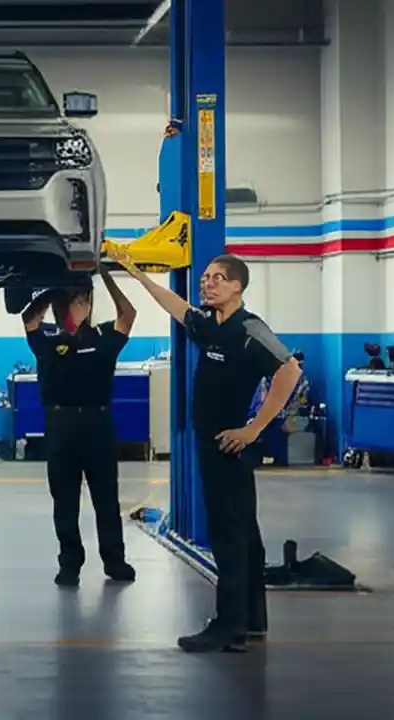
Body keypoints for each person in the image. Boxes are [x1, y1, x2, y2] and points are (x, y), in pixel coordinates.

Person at [109, 248, 301, 652]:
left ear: (237, 286)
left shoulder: (249, 329)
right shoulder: (213, 325)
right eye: (205, 277)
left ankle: (228, 629)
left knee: (229, 535)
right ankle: (250, 620)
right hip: (213, 441)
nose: (206, 282)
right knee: (243, 532)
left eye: (217, 278)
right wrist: (137, 274)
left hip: (229, 444)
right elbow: (177, 307)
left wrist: (254, 428)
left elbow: (289, 370)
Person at [21, 271, 138, 587]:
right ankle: (70, 563)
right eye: (66, 303)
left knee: (106, 498)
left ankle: (114, 560)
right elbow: (28, 318)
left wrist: (107, 278)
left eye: (79, 301)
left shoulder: (103, 337)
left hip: (97, 425)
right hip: (61, 425)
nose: (71, 308)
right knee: (65, 499)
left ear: (89, 304)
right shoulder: (46, 339)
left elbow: (129, 314)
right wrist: (53, 291)